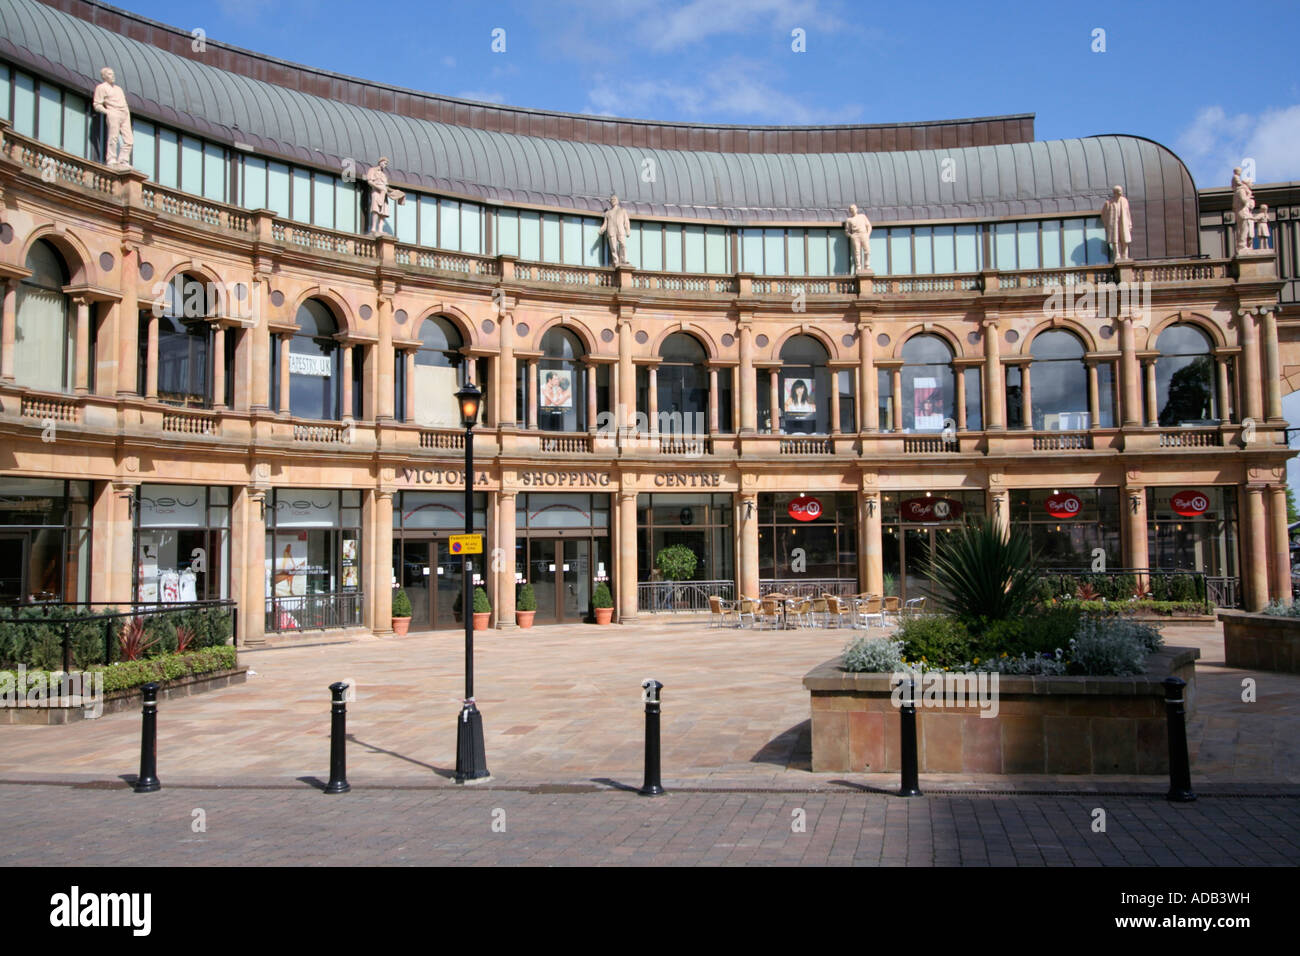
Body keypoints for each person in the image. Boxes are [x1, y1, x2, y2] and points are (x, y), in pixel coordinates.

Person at [92, 67, 133, 168]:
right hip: (113, 112)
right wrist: (108, 112)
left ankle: (123, 160)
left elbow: (124, 102)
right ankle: (111, 159)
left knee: (129, 140)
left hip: (124, 113)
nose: (113, 76)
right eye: (110, 74)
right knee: (113, 137)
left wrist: (126, 113)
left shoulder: (119, 89)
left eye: (113, 73)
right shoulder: (101, 88)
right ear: (104, 76)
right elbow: (97, 104)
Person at [1100, 185, 1132, 261]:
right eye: (1118, 191)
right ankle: (1117, 254)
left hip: (1123, 222)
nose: (1120, 193)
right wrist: (1106, 225)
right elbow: (1103, 214)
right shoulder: (1108, 203)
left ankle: (1125, 254)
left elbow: (1128, 213)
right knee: (1115, 240)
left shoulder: (1124, 201)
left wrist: (1130, 223)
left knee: (1125, 239)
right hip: (1113, 224)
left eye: (1121, 191)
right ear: (1115, 193)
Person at [598, 194, 631, 266]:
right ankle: (616, 261)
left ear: (617, 201)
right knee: (613, 247)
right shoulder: (608, 213)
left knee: (623, 245)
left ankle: (623, 260)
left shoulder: (622, 210)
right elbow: (605, 224)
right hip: (611, 231)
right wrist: (601, 230)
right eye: (612, 200)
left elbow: (626, 221)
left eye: (614, 199)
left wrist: (627, 230)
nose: (613, 201)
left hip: (620, 230)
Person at [844, 204, 872, 271]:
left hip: (863, 234)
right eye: (851, 209)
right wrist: (852, 236)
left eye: (854, 208)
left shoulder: (862, 216)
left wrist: (868, 234)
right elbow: (846, 231)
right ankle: (858, 266)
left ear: (856, 209)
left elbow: (869, 226)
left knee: (867, 250)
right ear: (850, 211)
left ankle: (867, 265)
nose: (853, 210)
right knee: (857, 251)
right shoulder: (849, 220)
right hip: (855, 235)